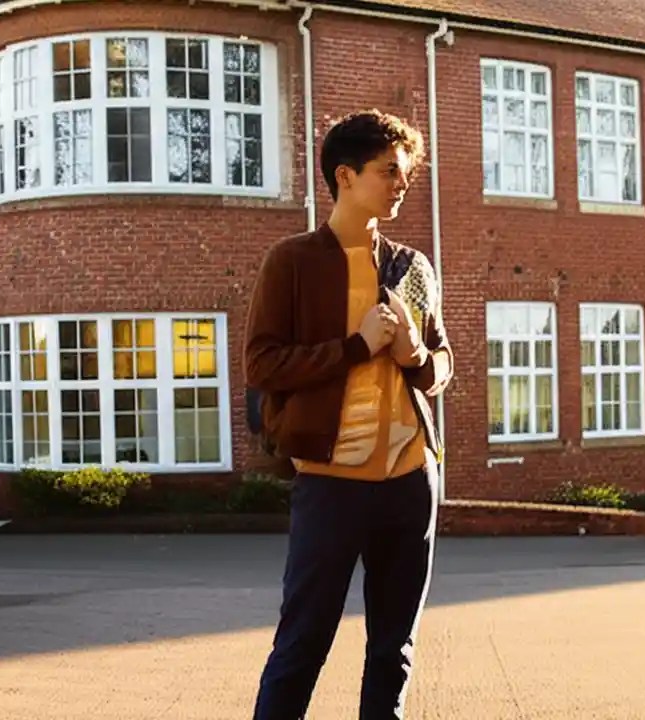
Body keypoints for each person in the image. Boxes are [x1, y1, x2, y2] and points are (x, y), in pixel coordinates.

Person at [245, 109, 454, 720]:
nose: (402, 184)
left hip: (411, 480)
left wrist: (416, 355)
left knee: (394, 650)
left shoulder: (412, 267)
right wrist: (356, 347)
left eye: (405, 173)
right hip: (331, 482)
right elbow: (262, 364)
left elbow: (442, 364)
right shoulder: (293, 261)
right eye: (389, 171)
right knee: (302, 643)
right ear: (345, 175)